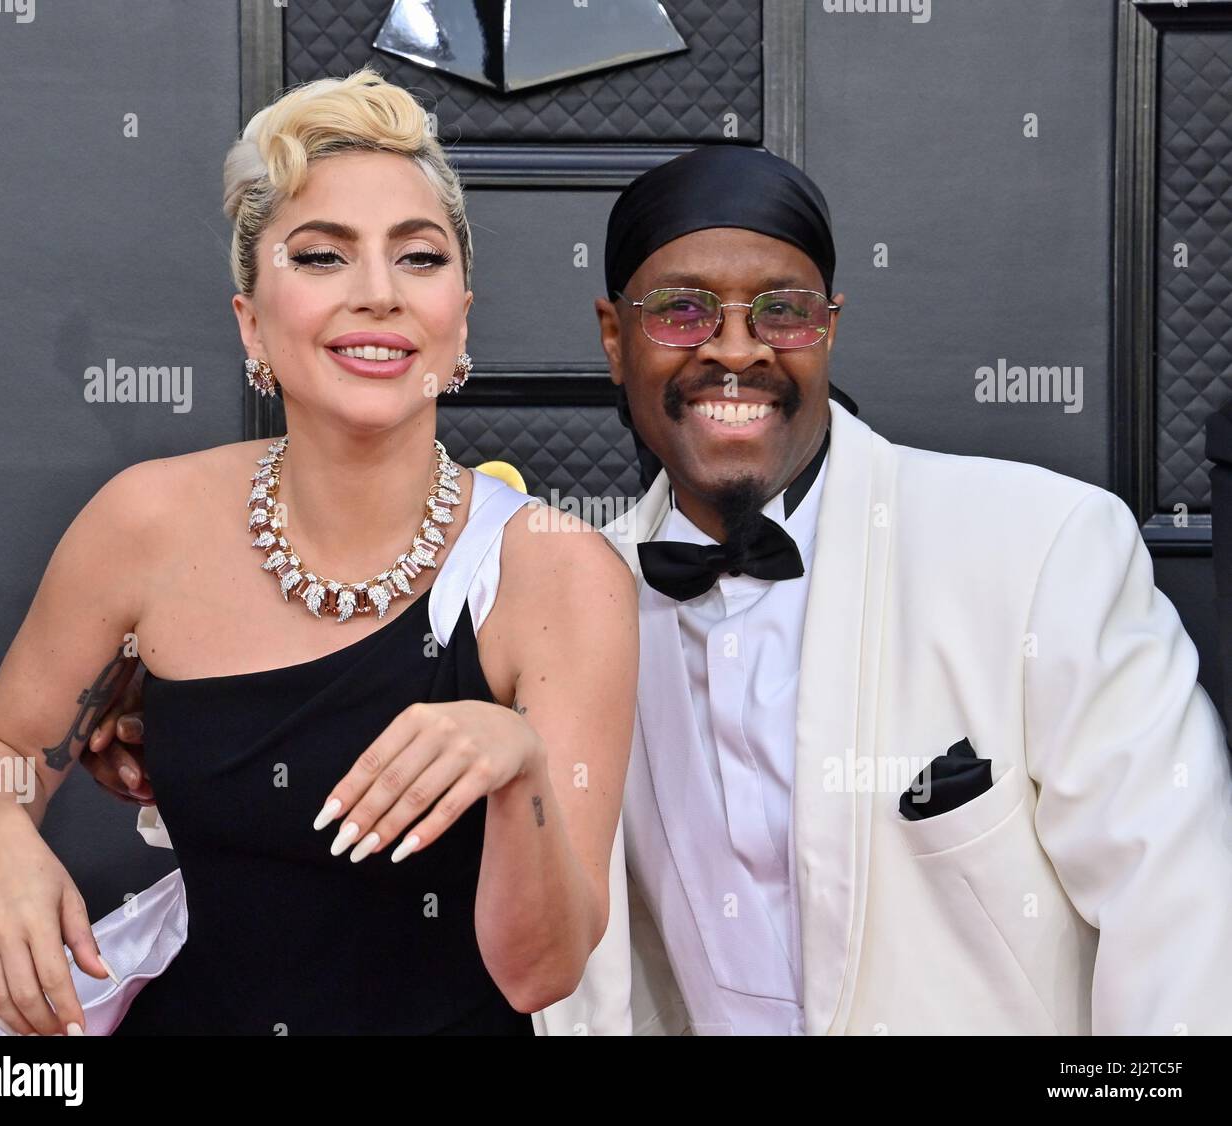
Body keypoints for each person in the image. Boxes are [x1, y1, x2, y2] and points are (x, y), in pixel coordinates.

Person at [90, 144, 1232, 1036]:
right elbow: (362, 845)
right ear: (613, 337)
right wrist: (175, 730)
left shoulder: (1037, 546)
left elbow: (1178, 914)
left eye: (779, 310)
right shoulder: (551, 596)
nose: (732, 351)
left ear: (828, 329)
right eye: (680, 310)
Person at [0, 65, 637, 1037]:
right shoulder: (144, 523)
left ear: (460, 319)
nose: (378, 294)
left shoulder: (560, 574)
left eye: (419, 257)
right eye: (321, 256)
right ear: (250, 324)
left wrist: (516, 759)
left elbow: (541, 972)